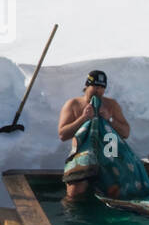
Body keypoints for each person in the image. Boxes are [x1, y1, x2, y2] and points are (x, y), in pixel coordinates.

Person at [57, 69, 133, 200]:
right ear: (87, 86)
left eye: (102, 88)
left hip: (109, 156)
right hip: (82, 157)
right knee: (74, 193)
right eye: (95, 86)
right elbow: (62, 135)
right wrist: (83, 118)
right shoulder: (73, 104)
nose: (98, 91)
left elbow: (125, 133)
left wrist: (110, 119)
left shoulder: (111, 105)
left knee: (116, 192)